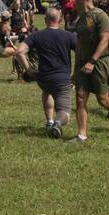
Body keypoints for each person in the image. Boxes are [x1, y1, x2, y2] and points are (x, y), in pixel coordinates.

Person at [72, 0, 109, 141]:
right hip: (83, 63)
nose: (73, 2)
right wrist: (76, 69)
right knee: (80, 98)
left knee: (103, 100)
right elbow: (79, 44)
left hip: (99, 63)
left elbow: (104, 41)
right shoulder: (80, 18)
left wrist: (92, 61)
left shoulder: (100, 16)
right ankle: (82, 135)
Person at [15, 7, 76, 137]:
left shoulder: (36, 36)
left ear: (45, 20)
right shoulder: (68, 36)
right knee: (65, 112)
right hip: (62, 78)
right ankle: (57, 123)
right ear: (60, 20)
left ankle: (49, 120)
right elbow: (81, 53)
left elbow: (19, 52)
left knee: (47, 91)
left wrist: (29, 70)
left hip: (43, 78)